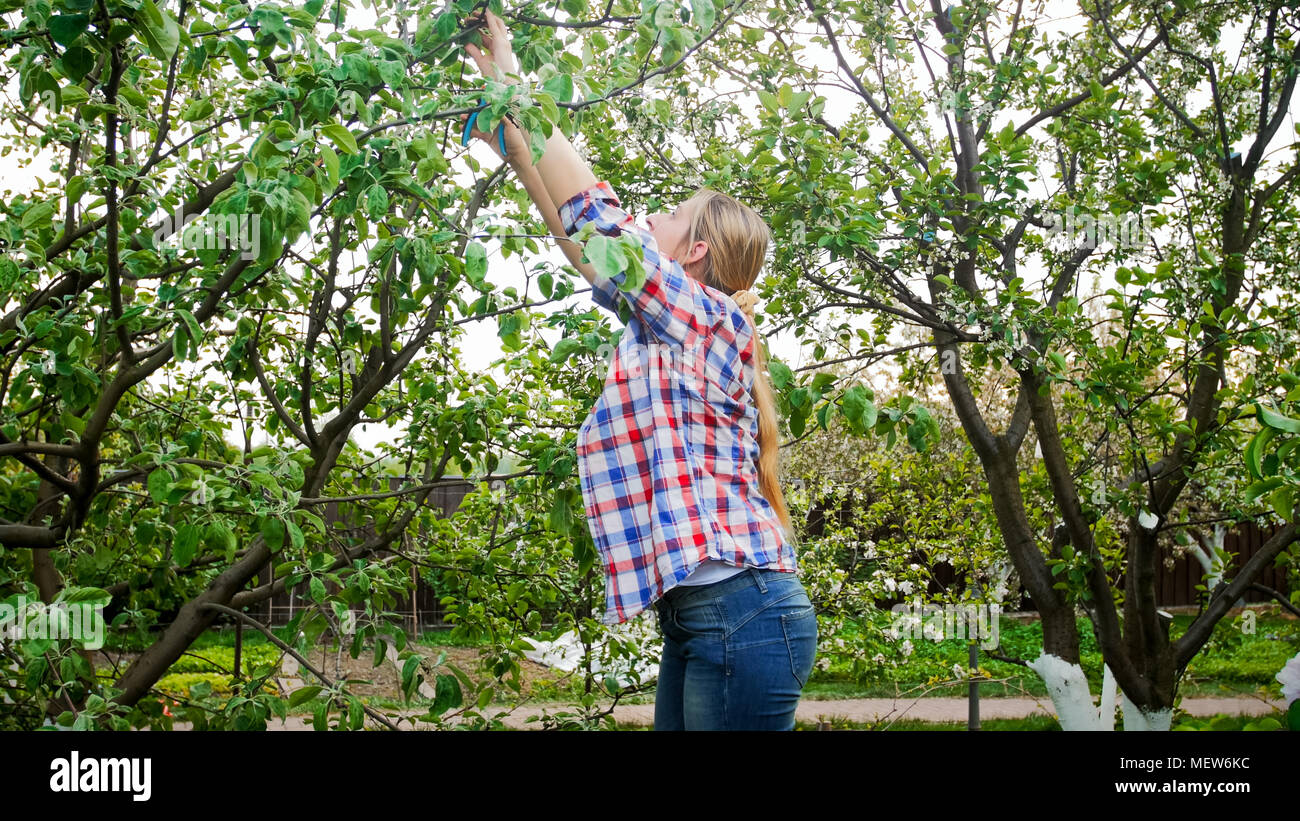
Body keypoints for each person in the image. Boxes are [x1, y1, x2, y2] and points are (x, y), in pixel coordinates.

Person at [459, 9, 817, 730]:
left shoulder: (707, 319)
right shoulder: (665, 329)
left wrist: (514, 71)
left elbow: (598, 219)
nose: (651, 216)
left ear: (693, 255)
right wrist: (505, 111)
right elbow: (581, 242)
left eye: (672, 214)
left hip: (744, 615)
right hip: (705, 617)